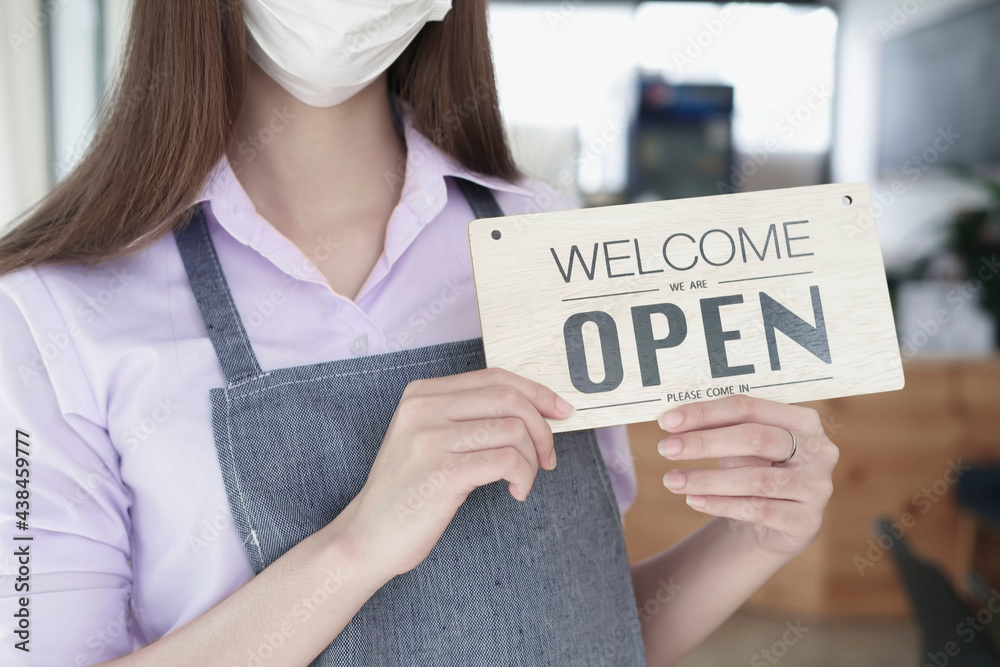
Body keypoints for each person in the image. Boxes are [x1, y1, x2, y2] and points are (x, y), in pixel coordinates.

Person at [0, 0, 839, 665]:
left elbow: (582, 635)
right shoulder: (54, 312)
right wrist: (354, 548)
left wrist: (754, 537)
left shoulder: (545, 238)